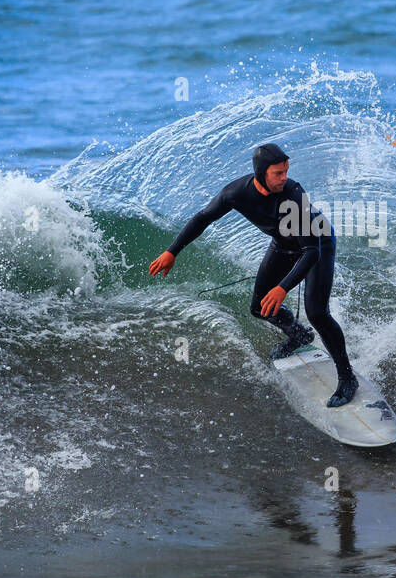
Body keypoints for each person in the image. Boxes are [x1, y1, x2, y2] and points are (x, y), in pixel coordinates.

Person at [148, 143, 360, 407]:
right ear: (261, 174)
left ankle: (348, 378)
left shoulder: (293, 195)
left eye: (286, 171)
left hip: (317, 244)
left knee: (317, 312)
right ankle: (299, 336)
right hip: (282, 245)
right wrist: (172, 251)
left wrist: (283, 287)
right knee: (261, 308)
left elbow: (310, 252)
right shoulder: (236, 193)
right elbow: (203, 218)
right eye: (277, 173)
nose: (285, 178)